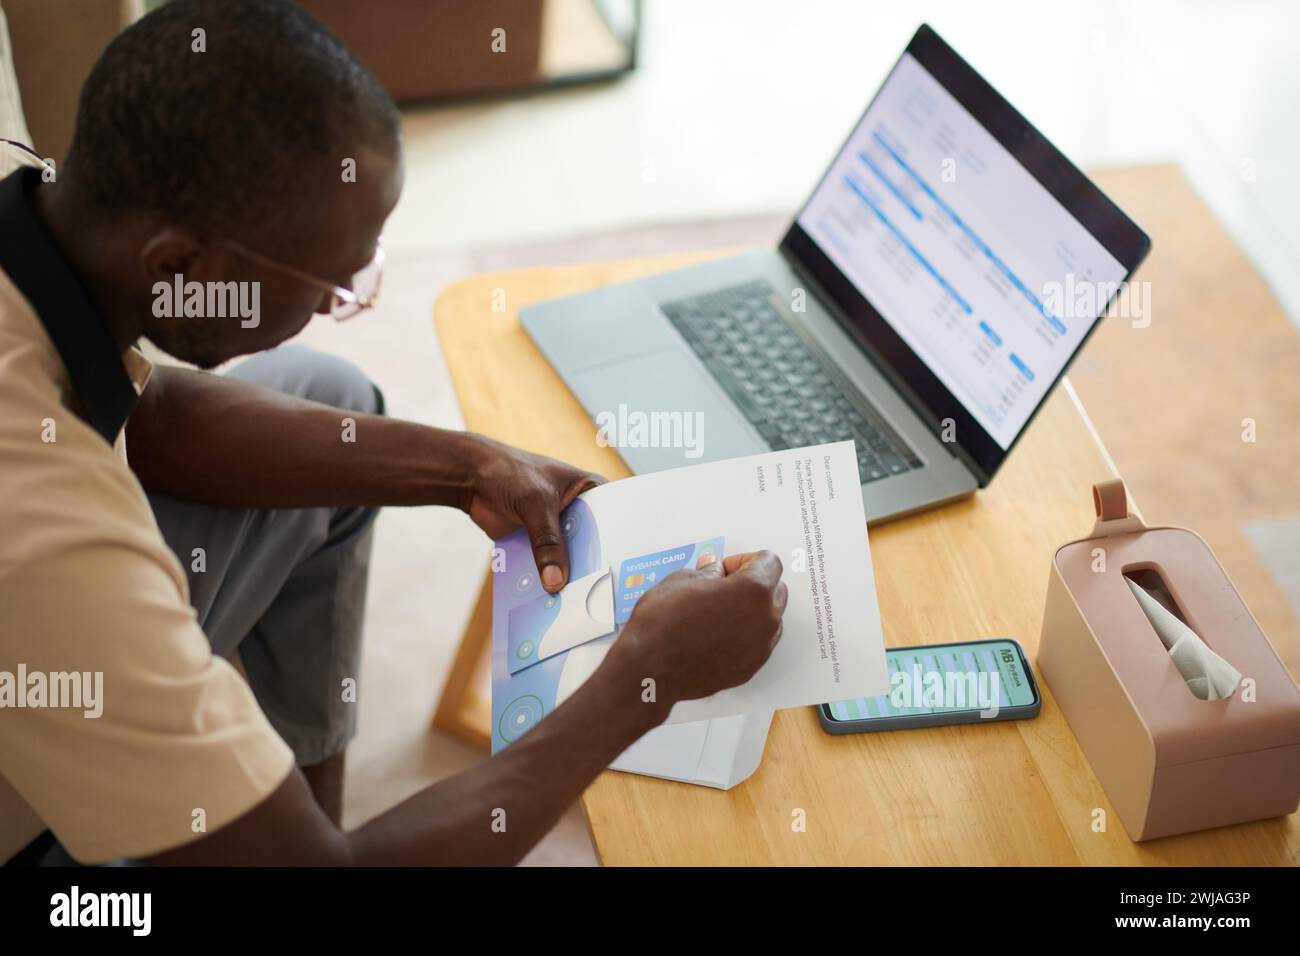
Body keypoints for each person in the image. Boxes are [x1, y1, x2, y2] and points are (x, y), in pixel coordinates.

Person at [0, 0, 786, 866]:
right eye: (329, 285)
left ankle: (279, 807)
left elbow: (153, 419)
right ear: (180, 267)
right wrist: (644, 681)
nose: (341, 306)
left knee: (331, 399)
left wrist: (468, 467)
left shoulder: (49, 221)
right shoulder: (46, 526)